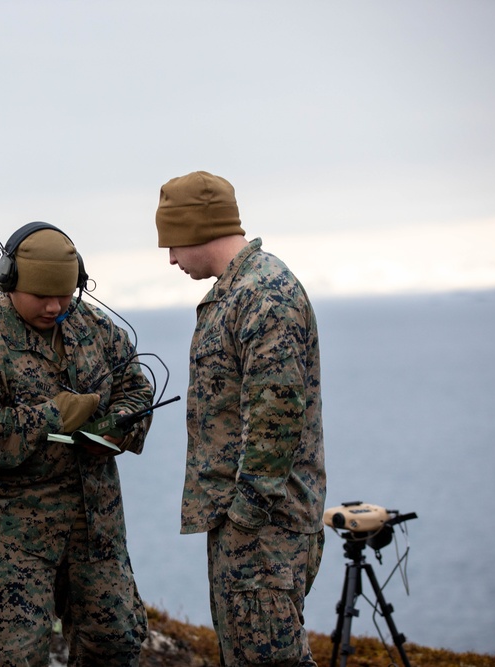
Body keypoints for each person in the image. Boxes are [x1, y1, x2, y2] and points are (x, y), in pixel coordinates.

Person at [0, 222, 154, 666]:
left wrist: (116, 430)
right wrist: (52, 416)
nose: (55, 307)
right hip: (14, 531)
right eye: (42, 297)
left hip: (96, 525)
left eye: (65, 295)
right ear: (9, 282)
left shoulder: (94, 327)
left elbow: (136, 388)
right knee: (13, 655)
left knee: (114, 645)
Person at [154, 170, 327, 666]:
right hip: (252, 527)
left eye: (172, 242)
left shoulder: (262, 295)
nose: (169, 257)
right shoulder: (240, 291)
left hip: (264, 530)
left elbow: (276, 416)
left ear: (196, 230)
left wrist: (245, 519)